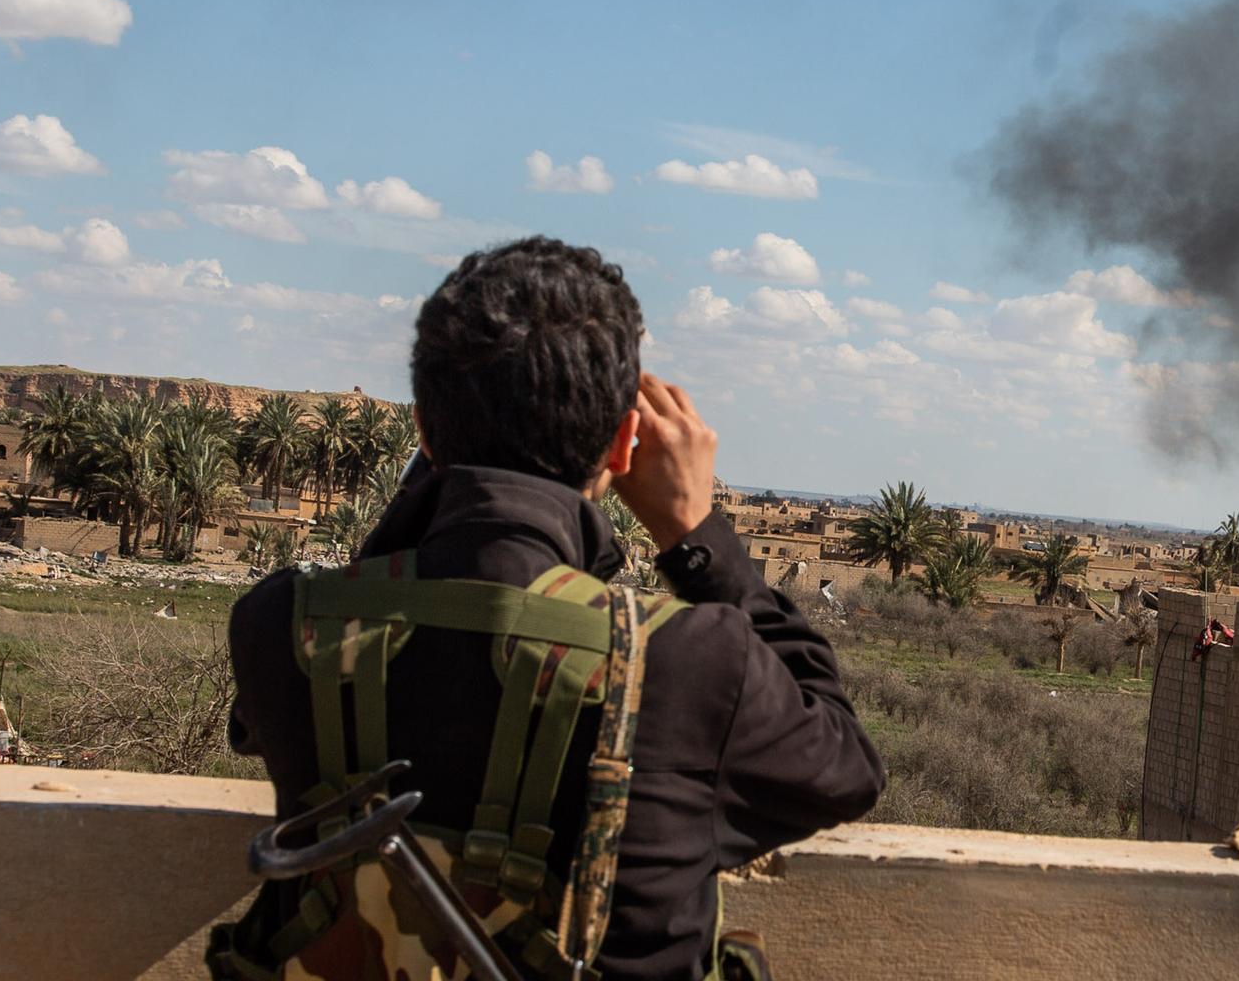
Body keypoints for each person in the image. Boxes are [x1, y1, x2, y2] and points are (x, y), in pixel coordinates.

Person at [219, 237, 882, 979]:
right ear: (625, 442)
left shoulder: (284, 628)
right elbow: (845, 767)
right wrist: (694, 535)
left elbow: (270, 709)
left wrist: (422, 503)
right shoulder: (690, 663)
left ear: (425, 431)